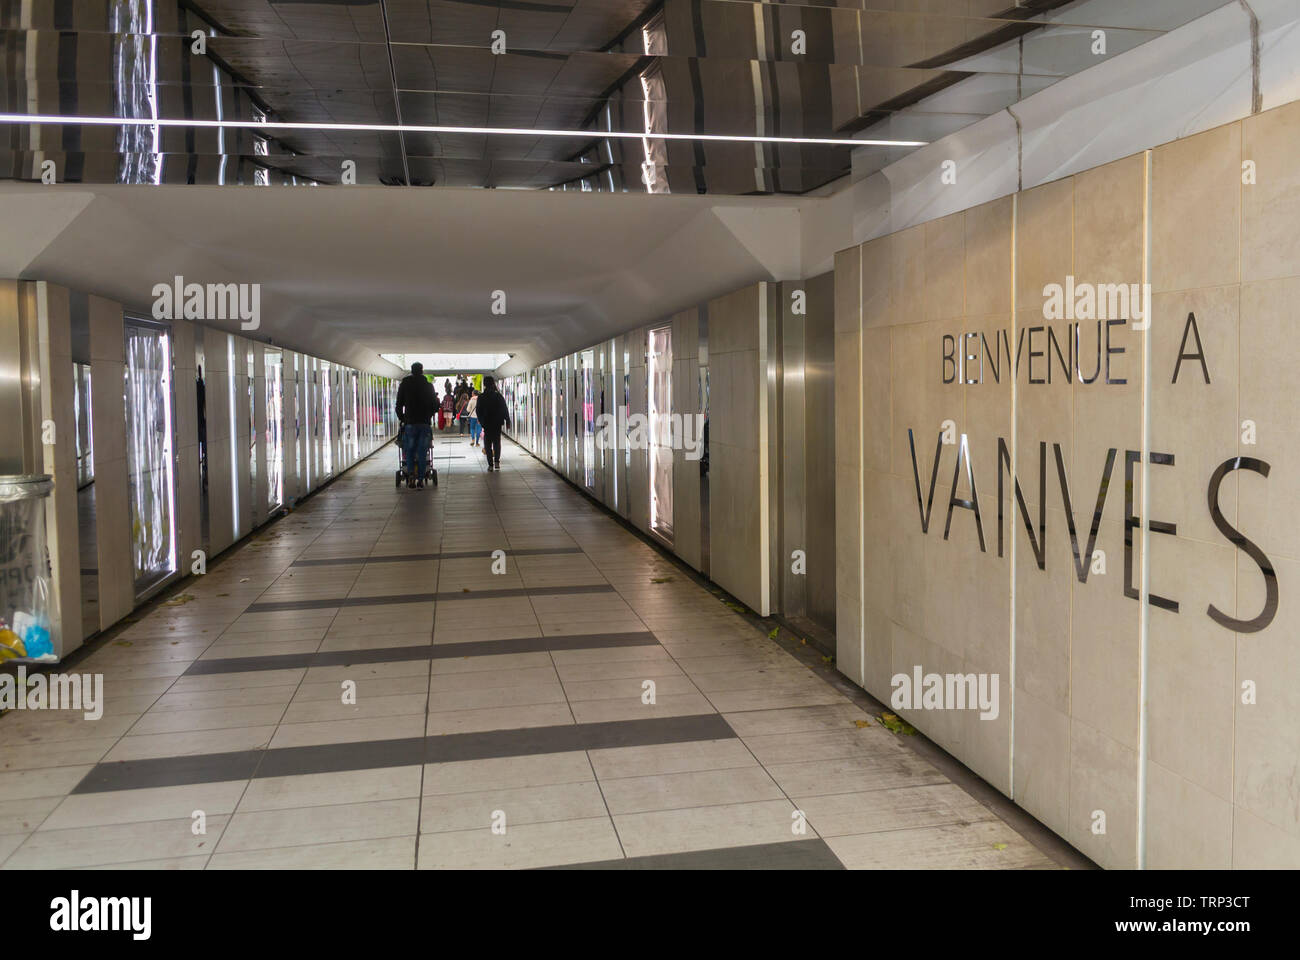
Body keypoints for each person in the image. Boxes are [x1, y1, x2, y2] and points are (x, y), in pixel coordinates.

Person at [394, 362, 435, 487]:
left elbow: (399, 405)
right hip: (423, 423)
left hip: (410, 423)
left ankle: (411, 473)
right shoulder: (428, 386)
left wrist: (403, 418)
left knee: (409, 450)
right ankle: (421, 478)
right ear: (422, 371)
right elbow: (434, 405)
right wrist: (428, 416)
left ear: (411, 371)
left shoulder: (404, 385)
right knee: (422, 451)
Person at [476, 376, 510, 470]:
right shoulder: (498, 396)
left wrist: (482, 421)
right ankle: (497, 462)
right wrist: (507, 420)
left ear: (484, 384)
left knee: (487, 443)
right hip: (497, 423)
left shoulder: (481, 397)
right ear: (493, 384)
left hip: (486, 423)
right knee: (496, 442)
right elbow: (504, 408)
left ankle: (490, 464)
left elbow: (478, 411)